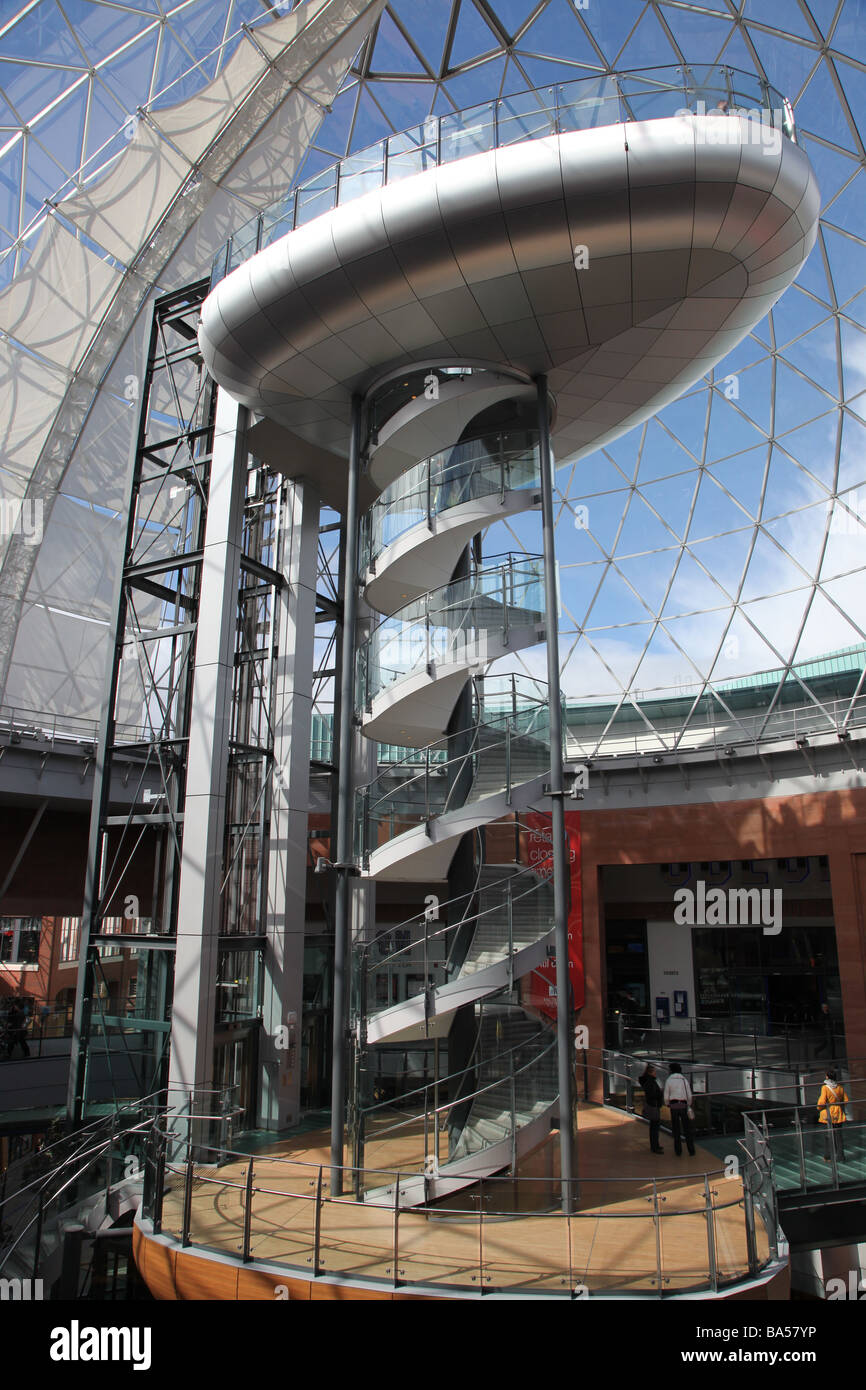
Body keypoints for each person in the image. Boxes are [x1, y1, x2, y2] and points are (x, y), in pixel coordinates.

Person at [663, 1062, 696, 1157]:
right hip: (683, 1105)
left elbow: (666, 1095)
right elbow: (689, 1094)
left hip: (673, 1106)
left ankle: (678, 1151)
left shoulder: (669, 1080)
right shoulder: (684, 1080)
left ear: (671, 1070)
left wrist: (667, 1104)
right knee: (687, 1129)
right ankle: (691, 1150)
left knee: (676, 1129)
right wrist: (688, 1104)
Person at [817, 1069, 848, 1163]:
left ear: (827, 1077)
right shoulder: (840, 1087)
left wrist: (819, 1108)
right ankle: (841, 1157)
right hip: (838, 1114)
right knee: (839, 1136)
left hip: (828, 1114)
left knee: (828, 1136)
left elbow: (822, 1101)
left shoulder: (825, 1088)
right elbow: (846, 1100)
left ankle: (828, 1156)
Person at [639, 1064, 664, 1155]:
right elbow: (652, 1095)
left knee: (654, 1127)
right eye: (654, 1072)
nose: (655, 1073)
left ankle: (655, 1145)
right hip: (653, 1106)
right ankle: (655, 1146)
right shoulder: (650, 1082)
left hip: (653, 1105)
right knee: (654, 1127)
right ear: (651, 1073)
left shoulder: (648, 1081)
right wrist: (660, 1093)